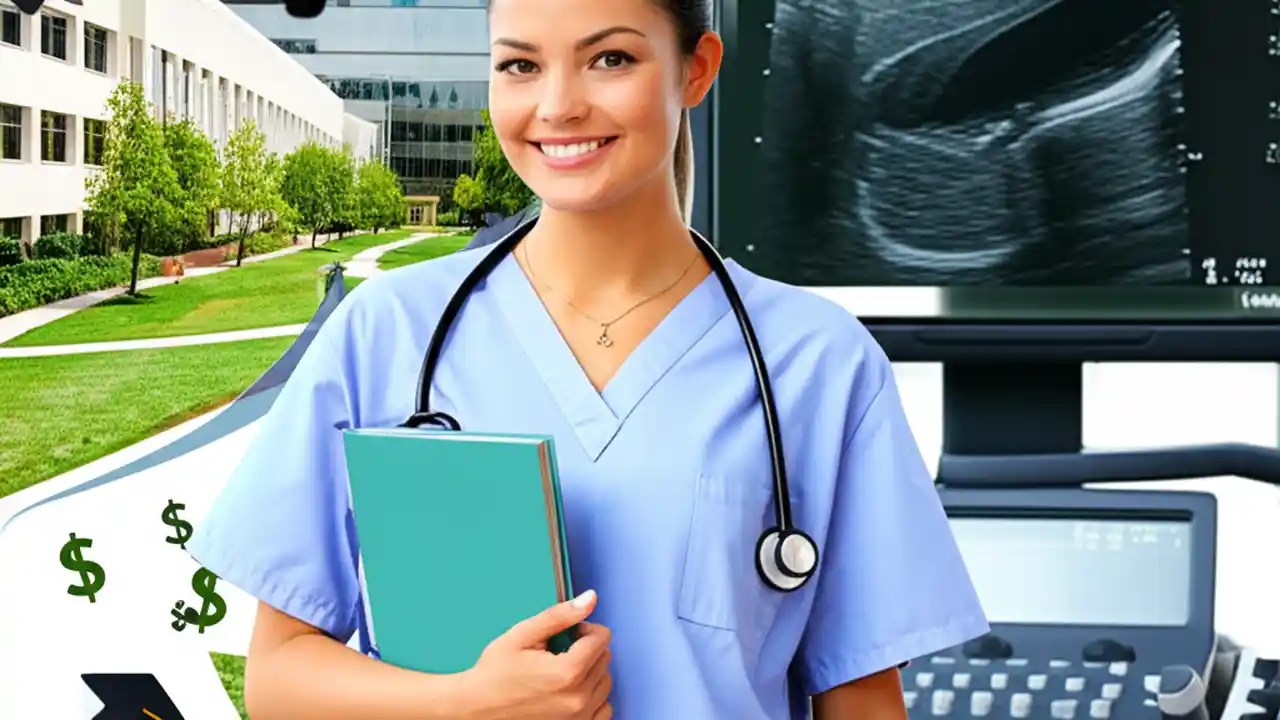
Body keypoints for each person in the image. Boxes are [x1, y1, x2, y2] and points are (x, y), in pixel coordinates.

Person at [185, 0, 990, 717]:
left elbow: (862, 698)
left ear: (696, 69)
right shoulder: (386, 332)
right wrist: (462, 704)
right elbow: (280, 680)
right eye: (520, 65)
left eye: (611, 58)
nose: (559, 106)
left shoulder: (818, 362)